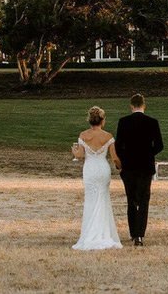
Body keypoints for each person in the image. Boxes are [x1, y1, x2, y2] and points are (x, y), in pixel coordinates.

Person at [114, 93, 164, 247]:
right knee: (143, 200)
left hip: (129, 166)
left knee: (131, 199)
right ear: (144, 105)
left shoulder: (123, 122)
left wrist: (124, 158)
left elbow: (118, 145)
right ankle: (140, 235)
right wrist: (148, 153)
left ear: (131, 106)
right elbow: (159, 145)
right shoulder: (152, 122)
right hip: (145, 166)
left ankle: (133, 232)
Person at [71, 106, 123, 250]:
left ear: (89, 120)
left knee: (90, 200)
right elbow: (114, 158)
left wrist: (74, 152)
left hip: (90, 169)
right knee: (103, 198)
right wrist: (121, 167)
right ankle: (103, 233)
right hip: (102, 169)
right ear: (102, 120)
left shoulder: (83, 135)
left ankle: (89, 234)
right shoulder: (108, 136)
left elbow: (80, 155)